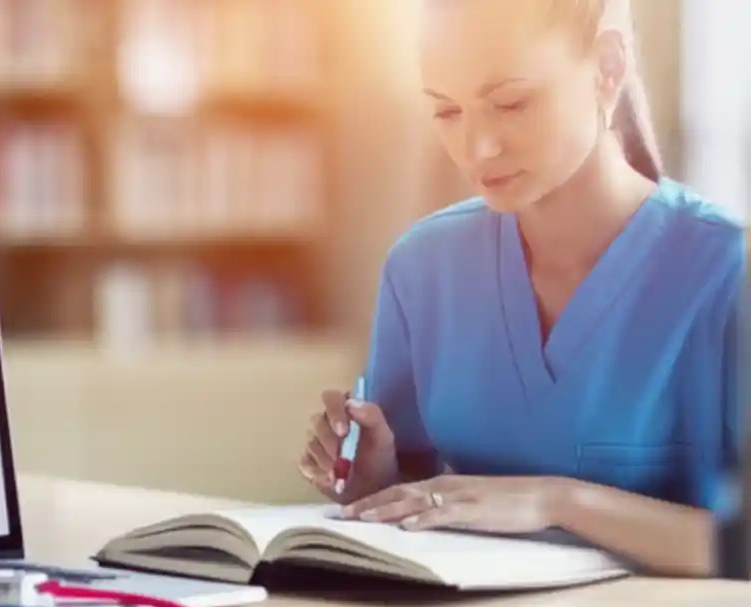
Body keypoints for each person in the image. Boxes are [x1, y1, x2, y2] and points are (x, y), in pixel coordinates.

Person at [298, 0, 746, 577]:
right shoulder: (423, 268)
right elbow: (413, 498)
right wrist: (373, 479)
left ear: (607, 69)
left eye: (511, 103)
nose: (476, 148)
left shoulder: (725, 271)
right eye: (447, 111)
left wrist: (556, 501)